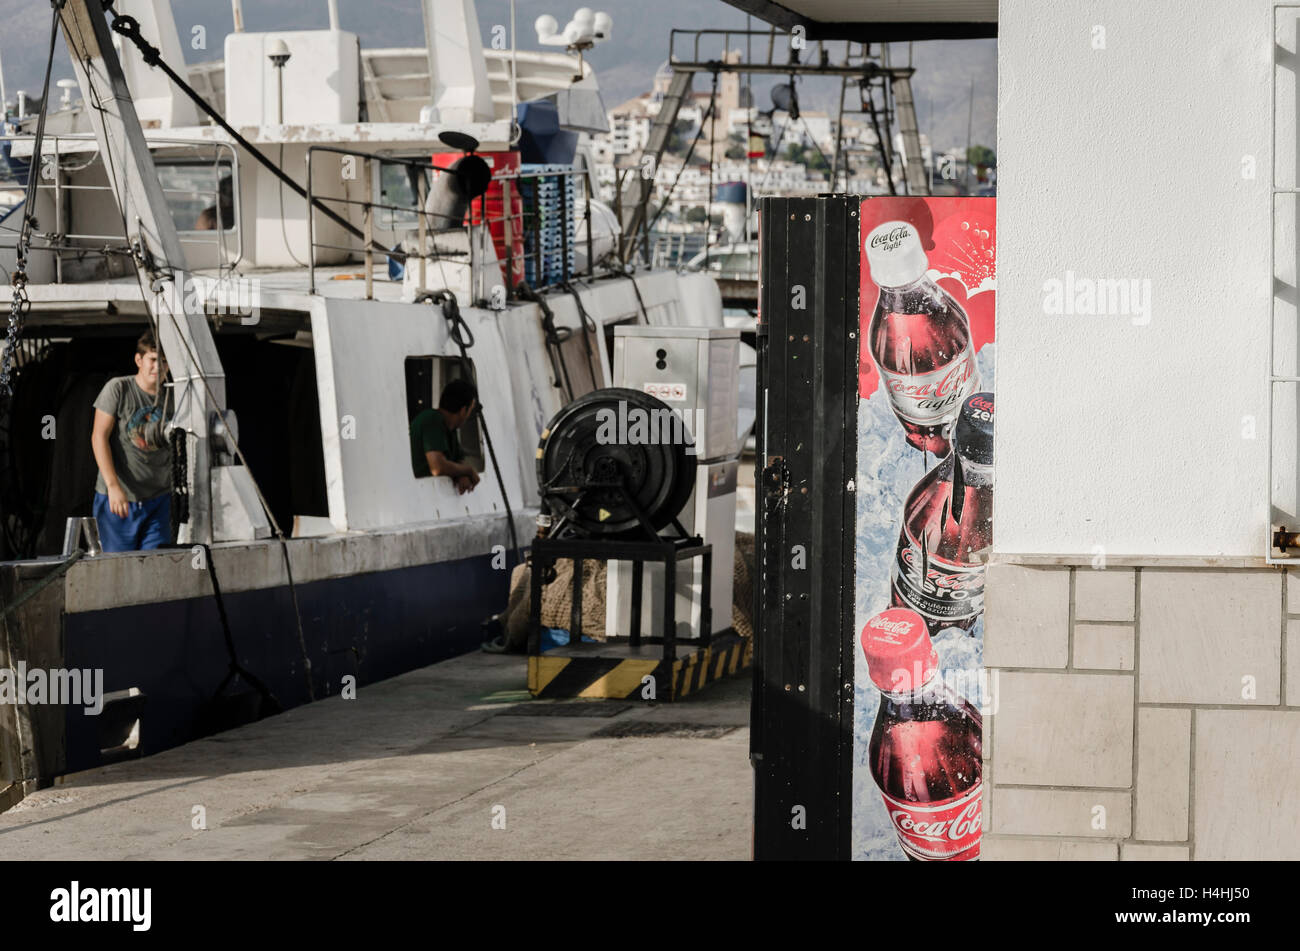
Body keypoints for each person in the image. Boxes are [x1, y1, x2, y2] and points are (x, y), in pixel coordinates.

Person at [90, 329, 173, 552]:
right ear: (139, 360)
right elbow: (99, 436)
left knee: (156, 566)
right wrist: (113, 486)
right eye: (153, 360)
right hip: (120, 500)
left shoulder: (174, 397)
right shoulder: (118, 389)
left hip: (158, 500)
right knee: (118, 569)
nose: (158, 367)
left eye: (164, 362)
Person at [409, 378, 481, 494]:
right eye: (470, 410)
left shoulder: (449, 429)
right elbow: (438, 467)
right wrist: (468, 471)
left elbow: (458, 460)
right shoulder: (431, 419)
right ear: (463, 411)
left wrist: (461, 475)